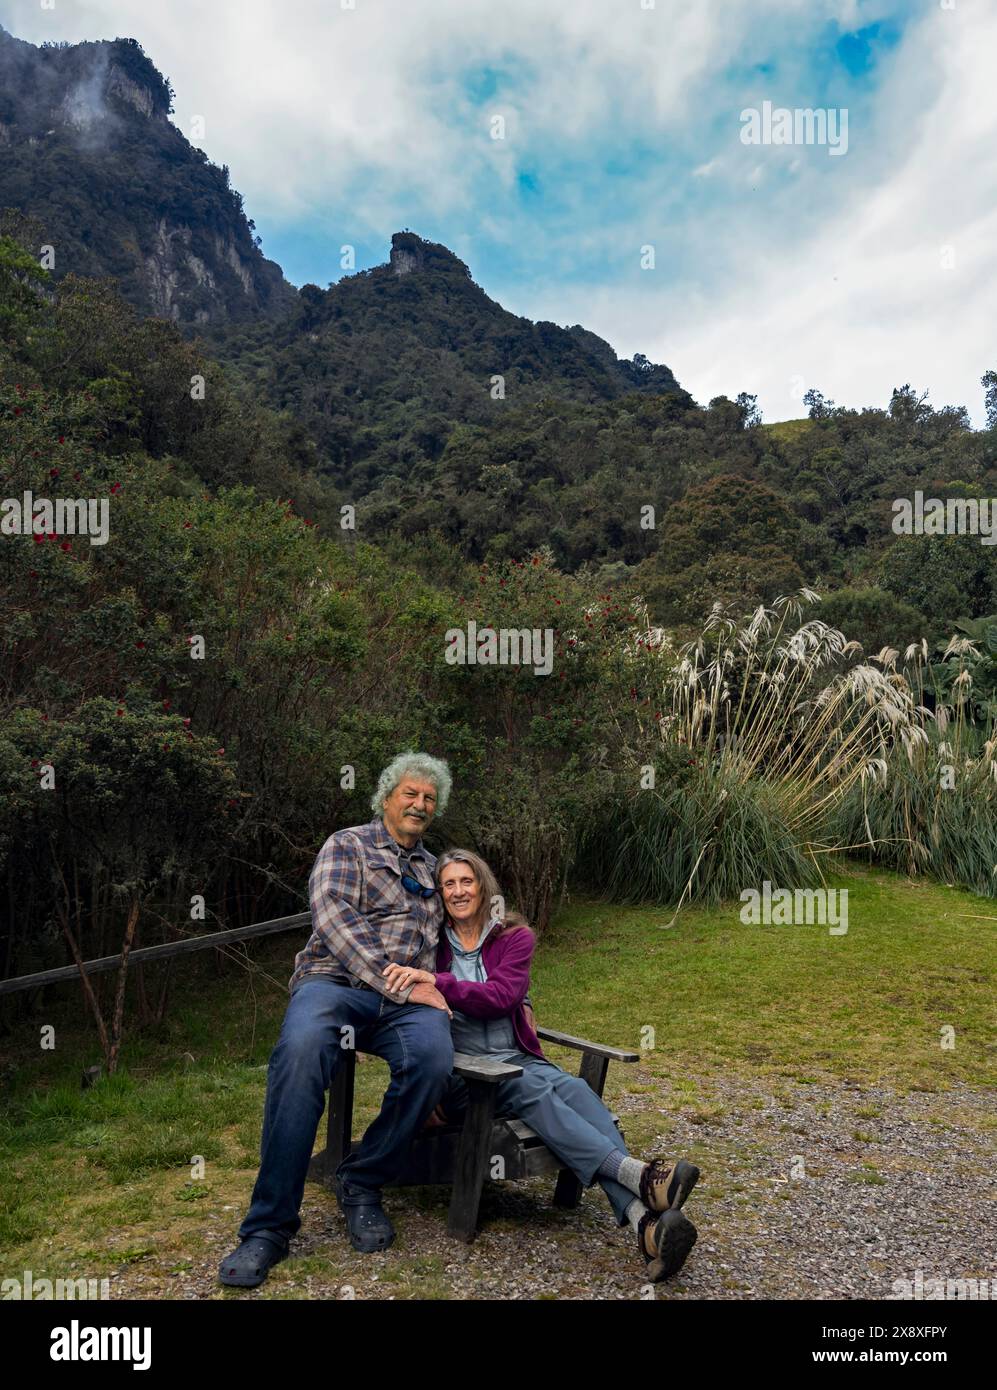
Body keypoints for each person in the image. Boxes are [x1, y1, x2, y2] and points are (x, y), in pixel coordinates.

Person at [383, 849, 701, 1282]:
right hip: (463, 1077)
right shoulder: (429, 944)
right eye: (448, 884)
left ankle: (644, 1223)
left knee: (577, 1093)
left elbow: (502, 996)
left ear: (483, 886)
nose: (458, 892)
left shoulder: (514, 938)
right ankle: (641, 1175)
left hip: (518, 1059)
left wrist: (440, 984)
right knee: (528, 1089)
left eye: (466, 881)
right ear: (440, 894)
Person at [218, 751, 455, 1288]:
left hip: (403, 1003)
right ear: (387, 797)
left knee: (434, 1060)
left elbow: (451, 936)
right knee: (300, 1056)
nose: (420, 804)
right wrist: (398, 978)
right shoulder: (348, 845)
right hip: (334, 984)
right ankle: (269, 1227)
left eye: (429, 799)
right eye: (410, 794)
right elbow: (334, 917)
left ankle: (362, 1180)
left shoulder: (432, 868)